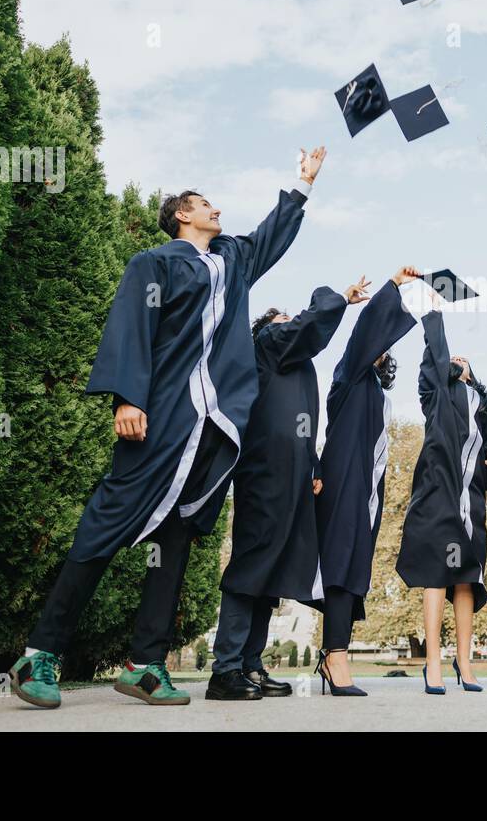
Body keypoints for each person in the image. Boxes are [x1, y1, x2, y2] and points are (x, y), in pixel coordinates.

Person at [8, 147, 327, 709]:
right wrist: (128, 397)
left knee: (175, 541)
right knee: (107, 524)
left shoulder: (230, 262)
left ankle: (144, 664)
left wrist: (301, 185)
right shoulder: (153, 265)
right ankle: (41, 652)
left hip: (214, 428)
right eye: (205, 204)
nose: (215, 209)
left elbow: (270, 237)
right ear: (182, 215)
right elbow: (132, 324)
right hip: (163, 416)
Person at [207, 276, 370, 701]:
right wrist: (335, 297)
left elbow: (302, 427)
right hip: (263, 474)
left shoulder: (298, 366)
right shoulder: (266, 343)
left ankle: (250, 665)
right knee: (251, 564)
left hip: (294, 477)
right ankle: (224, 669)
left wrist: (313, 464)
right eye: (284, 319)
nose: (291, 323)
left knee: (272, 571)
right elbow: (307, 323)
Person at [311, 266, 425, 696]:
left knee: (352, 566)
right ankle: (334, 657)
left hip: (364, 490)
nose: (379, 347)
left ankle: (333, 652)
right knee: (339, 564)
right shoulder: (348, 376)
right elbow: (364, 335)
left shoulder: (376, 389)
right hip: (342, 481)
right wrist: (392, 287)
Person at [396, 305, 487, 694]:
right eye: (453, 358)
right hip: (438, 497)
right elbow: (435, 359)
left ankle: (465, 661)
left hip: (471, 502)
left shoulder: (483, 408)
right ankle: (432, 665)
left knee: (466, 579)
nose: (458, 360)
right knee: (436, 575)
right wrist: (434, 314)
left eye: (465, 359)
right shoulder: (436, 394)